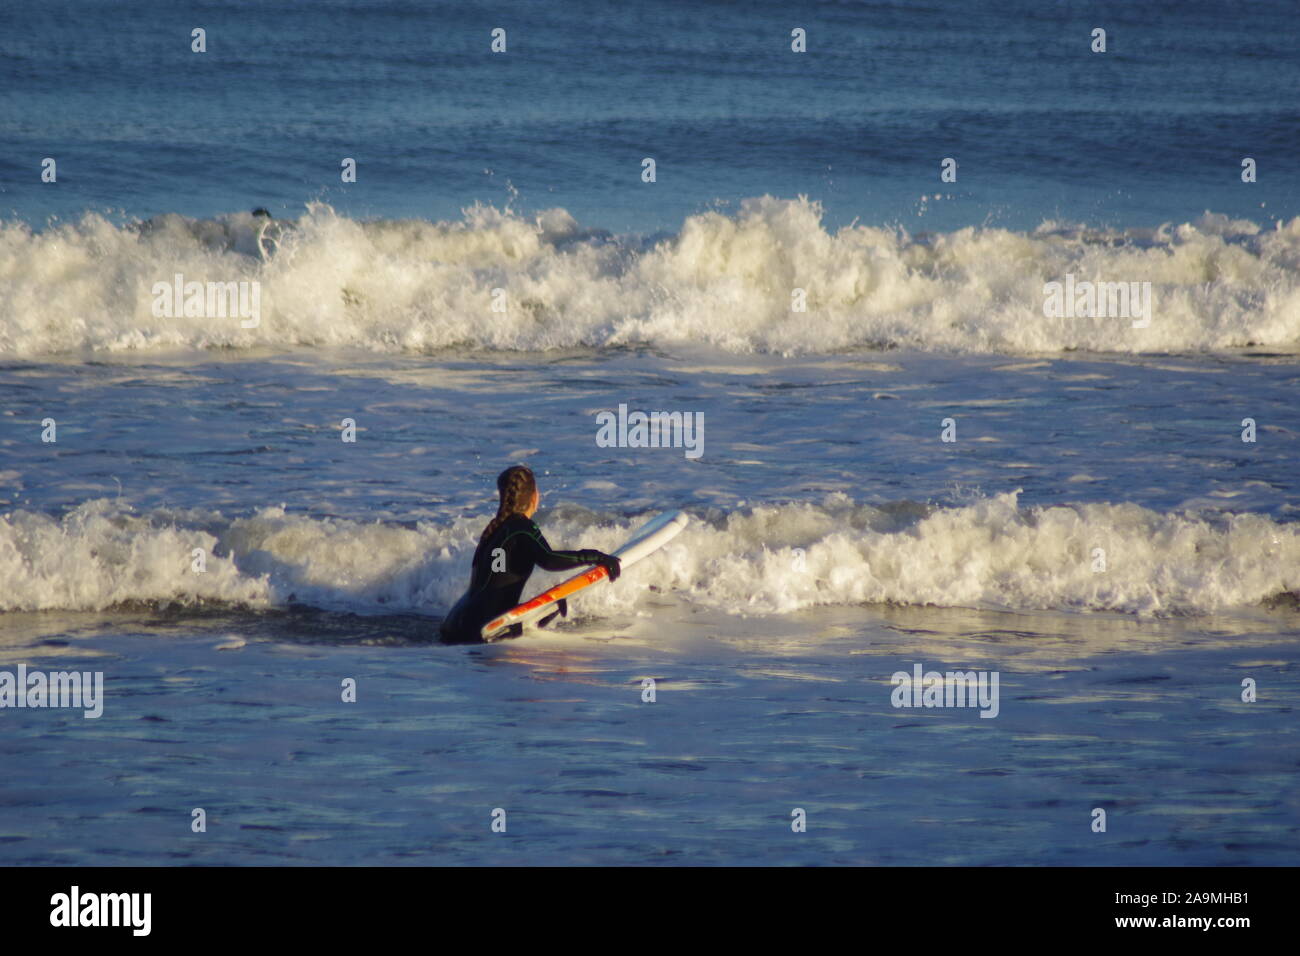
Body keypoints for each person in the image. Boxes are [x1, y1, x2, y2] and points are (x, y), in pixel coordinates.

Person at [439, 466, 621, 643]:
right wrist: (595, 557)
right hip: (482, 631)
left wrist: (545, 610)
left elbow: (497, 581)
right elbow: (549, 560)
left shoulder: (495, 531)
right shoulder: (522, 529)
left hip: (456, 624)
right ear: (535, 497)